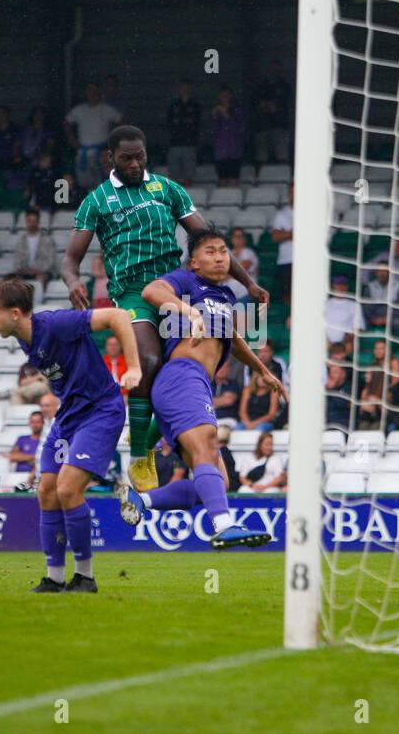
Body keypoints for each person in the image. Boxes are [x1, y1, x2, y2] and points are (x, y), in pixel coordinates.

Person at [61, 124, 268, 493]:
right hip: (132, 293)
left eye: (140, 156)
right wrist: (74, 281)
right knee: (150, 363)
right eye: (127, 158)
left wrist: (247, 283)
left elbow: (206, 239)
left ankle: (160, 442)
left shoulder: (166, 189)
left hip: (178, 288)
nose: (135, 163)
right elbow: (70, 259)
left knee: (177, 377)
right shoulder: (96, 201)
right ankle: (140, 452)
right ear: (111, 158)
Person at [116, 229, 286, 549]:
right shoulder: (184, 282)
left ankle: (141, 501)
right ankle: (223, 526)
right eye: (210, 252)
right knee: (207, 445)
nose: (220, 257)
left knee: (219, 481)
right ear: (194, 262)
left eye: (223, 251)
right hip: (181, 376)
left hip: (197, 385)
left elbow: (233, 340)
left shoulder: (227, 298)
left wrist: (263, 371)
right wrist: (187, 311)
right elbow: (153, 291)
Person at [0, 277, 141, 593]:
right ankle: (54, 578)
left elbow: (118, 317)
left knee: (68, 489)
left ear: (15, 313)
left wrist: (132, 367)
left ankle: (85, 577)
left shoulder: (55, 323)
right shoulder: (25, 338)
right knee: (46, 491)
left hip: (101, 410)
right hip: (70, 414)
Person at [64, 83, 120, 190]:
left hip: (102, 154)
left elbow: (121, 121)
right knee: (84, 184)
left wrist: (114, 142)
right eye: (90, 91)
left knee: (104, 183)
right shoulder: (79, 110)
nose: (92, 94)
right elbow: (66, 122)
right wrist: (72, 140)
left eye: (95, 91)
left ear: (100, 93)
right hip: (83, 153)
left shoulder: (107, 109)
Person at [251, 58, 291, 164]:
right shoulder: (261, 86)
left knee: (282, 157)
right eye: (272, 68)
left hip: (280, 126)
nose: (274, 71)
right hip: (263, 126)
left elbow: (287, 104)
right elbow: (255, 103)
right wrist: (266, 106)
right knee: (262, 158)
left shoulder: (284, 86)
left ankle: (282, 178)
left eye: (276, 68)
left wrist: (275, 107)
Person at [165, 79, 201, 185]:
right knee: (173, 176)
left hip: (190, 144)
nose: (184, 90)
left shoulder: (195, 106)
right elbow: (168, 124)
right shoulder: (173, 106)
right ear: (179, 89)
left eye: (187, 88)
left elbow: (197, 125)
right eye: (182, 88)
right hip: (174, 144)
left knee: (189, 176)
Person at [12, 207, 56, 285]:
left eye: (34, 221)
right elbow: (17, 261)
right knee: (11, 280)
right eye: (29, 221)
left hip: (42, 272)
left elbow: (50, 262)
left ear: (38, 222)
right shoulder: (21, 241)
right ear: (26, 222)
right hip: (25, 272)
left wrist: (37, 270)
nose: (32, 224)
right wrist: (25, 270)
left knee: (40, 278)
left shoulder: (47, 240)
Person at [211, 86, 245, 186]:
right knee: (222, 179)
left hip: (234, 150)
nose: (224, 98)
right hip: (221, 152)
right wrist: (215, 117)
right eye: (222, 96)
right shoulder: (216, 112)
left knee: (234, 179)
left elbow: (238, 128)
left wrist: (226, 114)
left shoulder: (237, 110)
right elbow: (213, 131)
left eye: (226, 95)